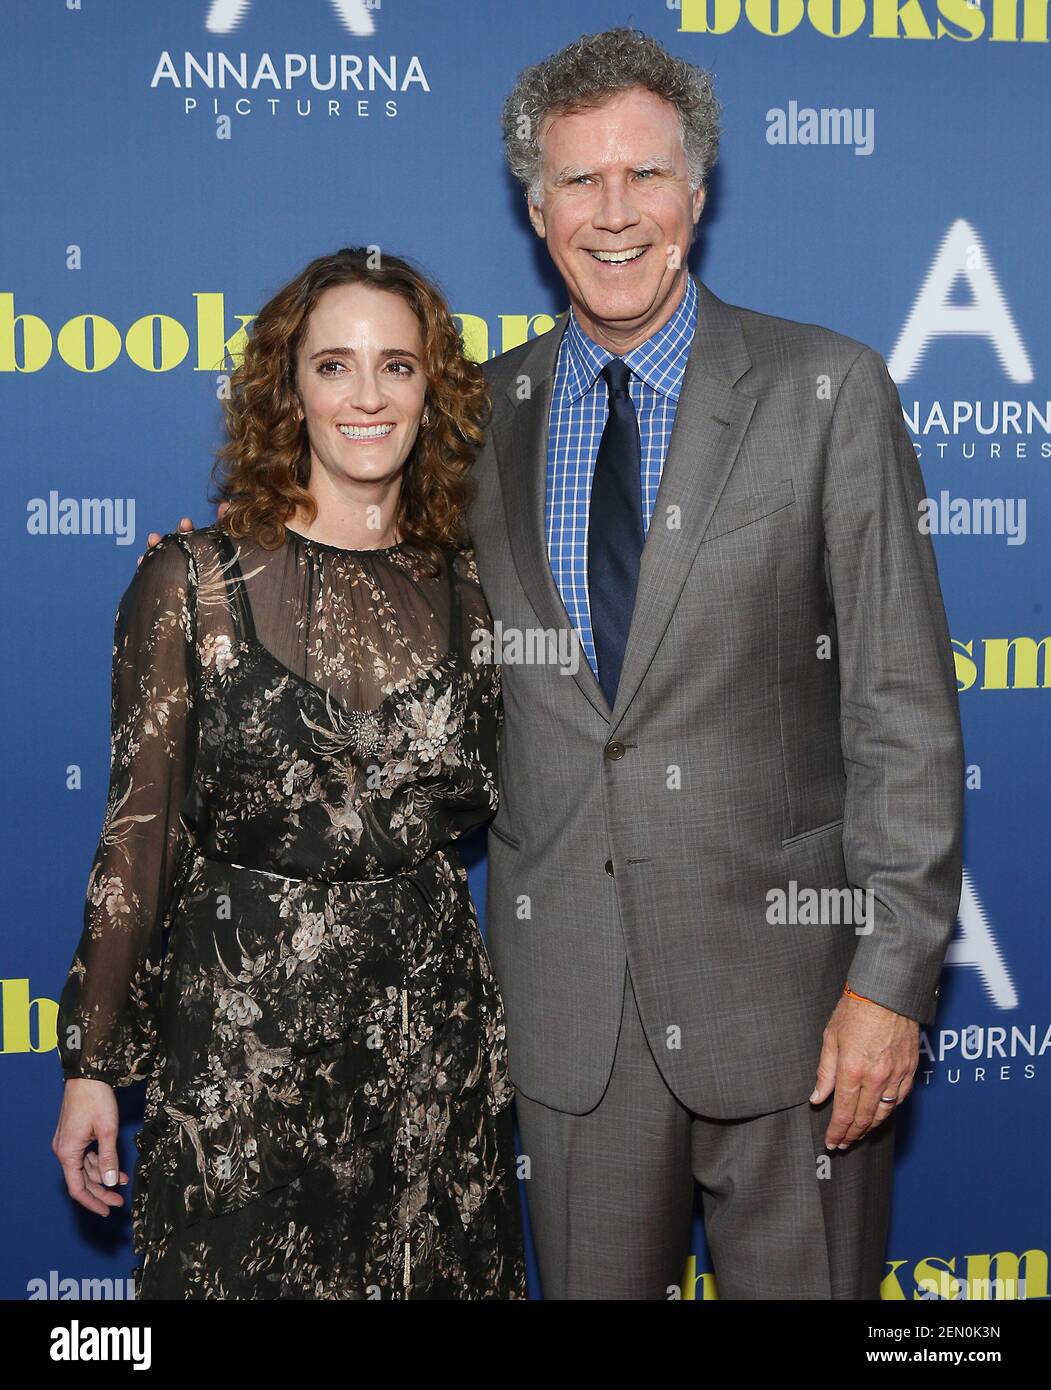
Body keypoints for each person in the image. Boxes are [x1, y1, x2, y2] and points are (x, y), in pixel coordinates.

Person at [146, 27, 966, 1301]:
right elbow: (347, 532)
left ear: (698, 191)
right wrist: (213, 571)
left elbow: (904, 713)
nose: (614, 212)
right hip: (565, 1024)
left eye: (644, 175)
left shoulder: (828, 391)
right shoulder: (478, 420)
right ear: (537, 211)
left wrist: (892, 986)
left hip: (799, 1016)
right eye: (579, 181)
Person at [52, 247, 527, 1300]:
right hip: (239, 1052)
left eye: (397, 367)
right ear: (287, 390)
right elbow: (140, 833)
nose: (366, 396)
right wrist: (92, 1067)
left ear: (431, 393)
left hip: (428, 1046)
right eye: (334, 366)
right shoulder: (189, 583)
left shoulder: (476, 588)